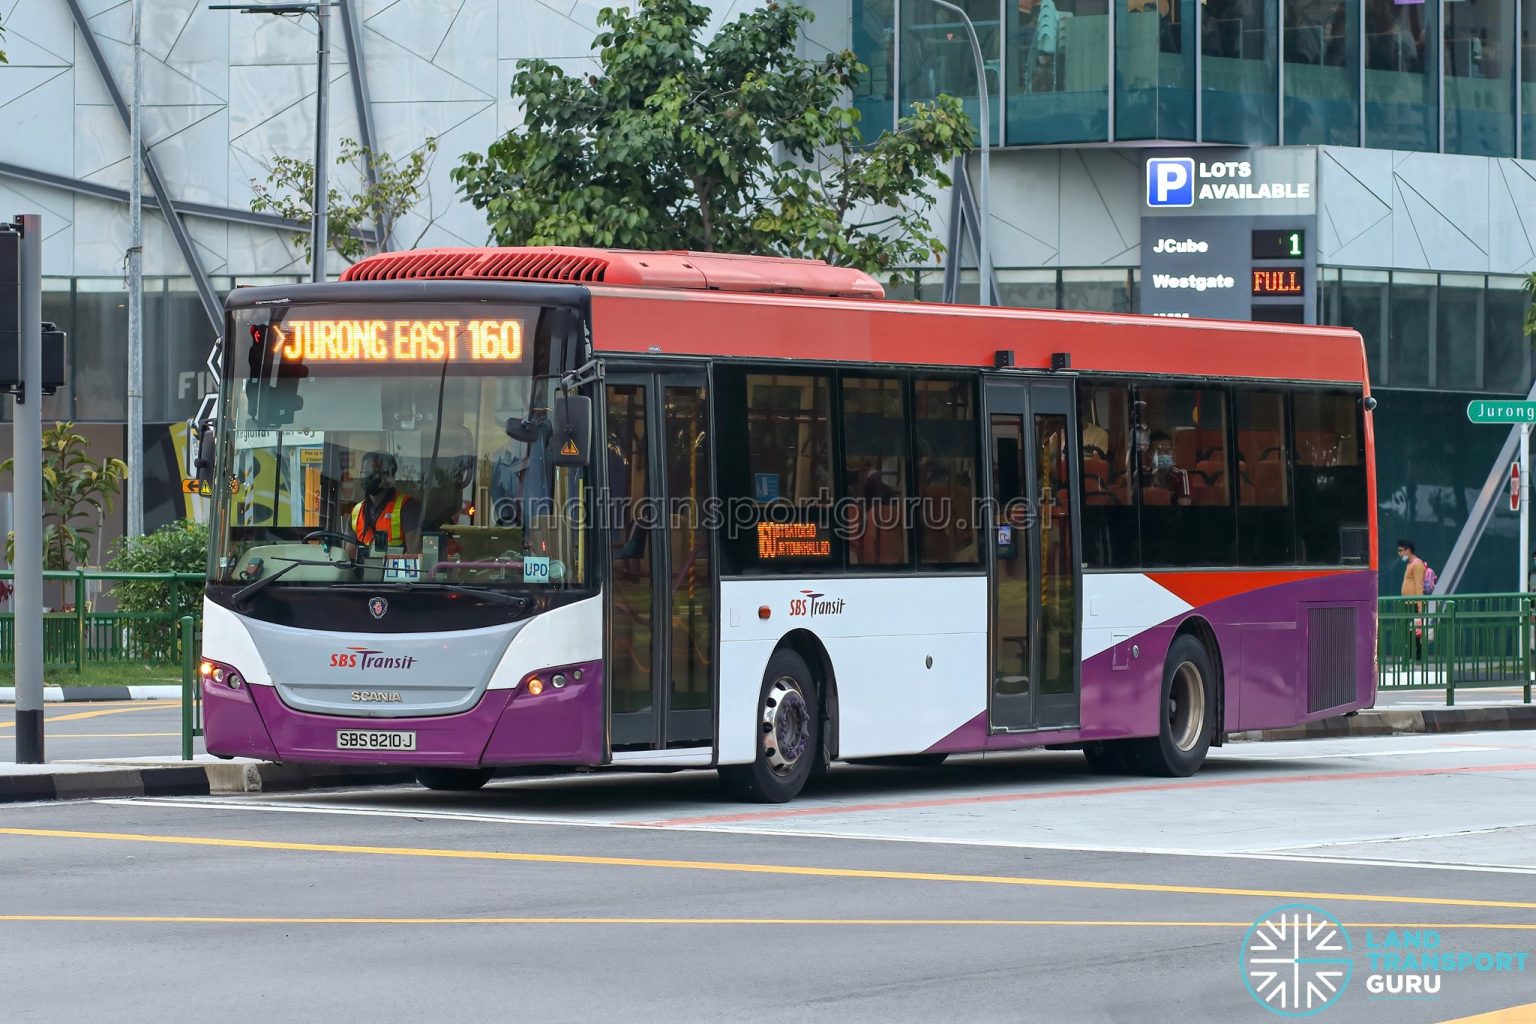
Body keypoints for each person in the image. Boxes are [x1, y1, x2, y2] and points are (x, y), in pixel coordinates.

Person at [349, 451, 421, 555]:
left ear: (390, 477)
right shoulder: (357, 511)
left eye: (375, 473)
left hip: (395, 569)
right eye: (365, 472)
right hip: (363, 569)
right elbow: (348, 555)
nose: (368, 476)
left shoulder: (407, 507)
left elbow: (413, 554)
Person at [1398, 538, 1426, 659]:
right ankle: (1411, 657)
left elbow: (1419, 587)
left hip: (1414, 604)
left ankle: (1414, 657)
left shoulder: (1417, 564)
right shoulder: (1410, 564)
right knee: (1410, 631)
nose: (1399, 553)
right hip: (1408, 604)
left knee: (1414, 632)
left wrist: (1419, 608)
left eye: (1401, 550)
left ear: (1408, 550)